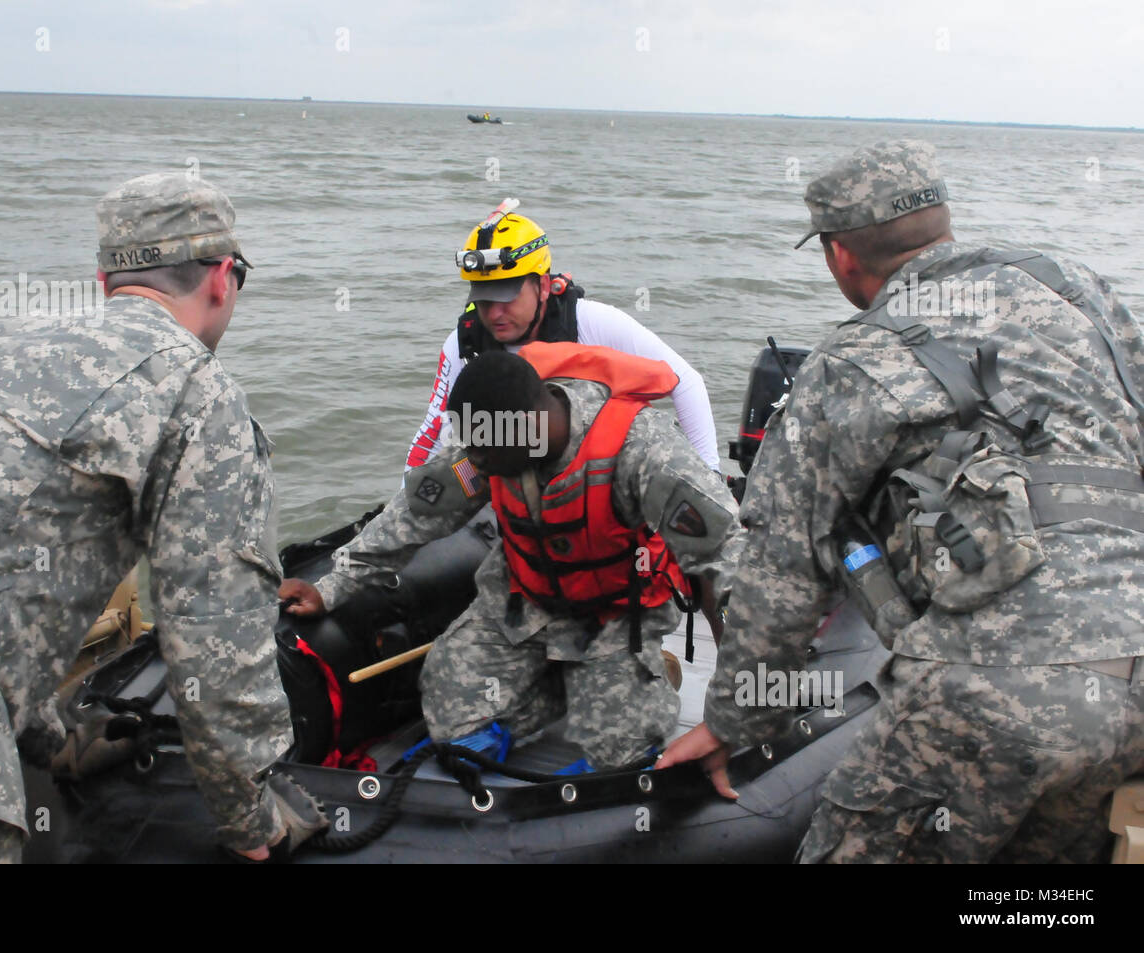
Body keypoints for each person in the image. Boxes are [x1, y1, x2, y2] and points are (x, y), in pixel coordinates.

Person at [660, 140, 1144, 863]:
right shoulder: (1076, 287)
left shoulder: (844, 366)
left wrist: (733, 718)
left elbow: (781, 579)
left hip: (995, 694)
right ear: (941, 220)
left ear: (839, 256)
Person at [0, 172, 325, 863]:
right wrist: (256, 821)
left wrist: (51, 736)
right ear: (222, 278)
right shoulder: (193, 387)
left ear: (107, 281)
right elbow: (214, 638)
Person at [281, 343, 740, 769]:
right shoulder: (491, 444)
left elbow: (727, 556)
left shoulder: (642, 450)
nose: (473, 462)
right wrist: (332, 587)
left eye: (482, 452)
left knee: (621, 752)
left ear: (532, 425)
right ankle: (561, 686)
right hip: (523, 605)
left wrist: (736, 704)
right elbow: (414, 514)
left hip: (612, 621)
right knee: (448, 703)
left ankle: (634, 681)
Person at [406, 199, 722, 472]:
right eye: (484, 299)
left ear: (543, 286)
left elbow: (686, 383)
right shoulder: (464, 344)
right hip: (512, 478)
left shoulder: (593, 322)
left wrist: (709, 473)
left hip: (597, 480)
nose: (494, 313)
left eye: (508, 297)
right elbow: (435, 431)